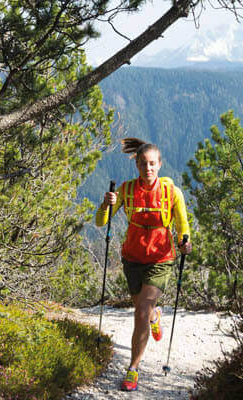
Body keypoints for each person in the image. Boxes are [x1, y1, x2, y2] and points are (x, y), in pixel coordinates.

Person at [94, 137, 192, 392]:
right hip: (133, 258)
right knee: (143, 309)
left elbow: (182, 225)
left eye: (152, 164)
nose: (147, 168)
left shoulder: (172, 192)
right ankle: (155, 315)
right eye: (143, 164)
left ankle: (133, 368)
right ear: (136, 165)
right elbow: (100, 222)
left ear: (159, 165)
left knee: (139, 313)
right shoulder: (126, 190)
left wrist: (186, 243)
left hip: (161, 258)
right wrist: (106, 204)